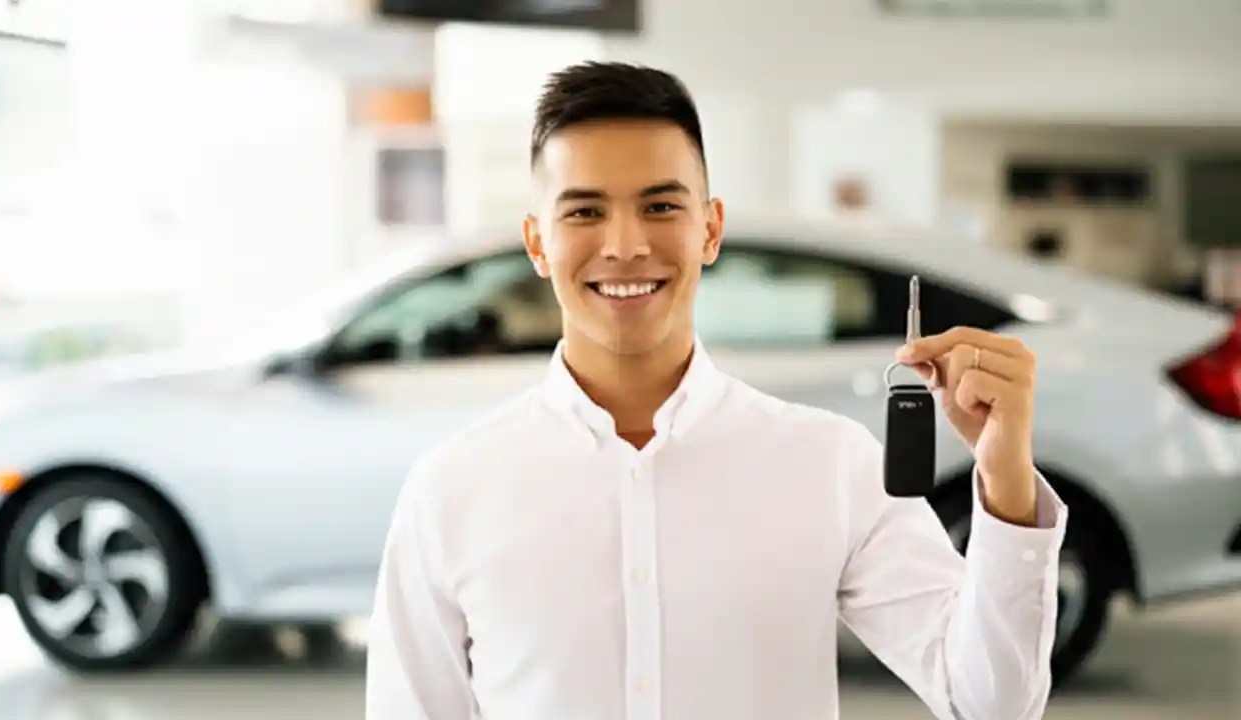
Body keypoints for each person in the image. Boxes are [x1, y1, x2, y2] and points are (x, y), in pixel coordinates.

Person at [366, 61, 1068, 720]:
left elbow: (990, 702)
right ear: (537, 242)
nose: (625, 244)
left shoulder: (829, 465)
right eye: (584, 212)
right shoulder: (450, 492)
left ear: (711, 228)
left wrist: (1005, 477)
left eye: (661, 207)